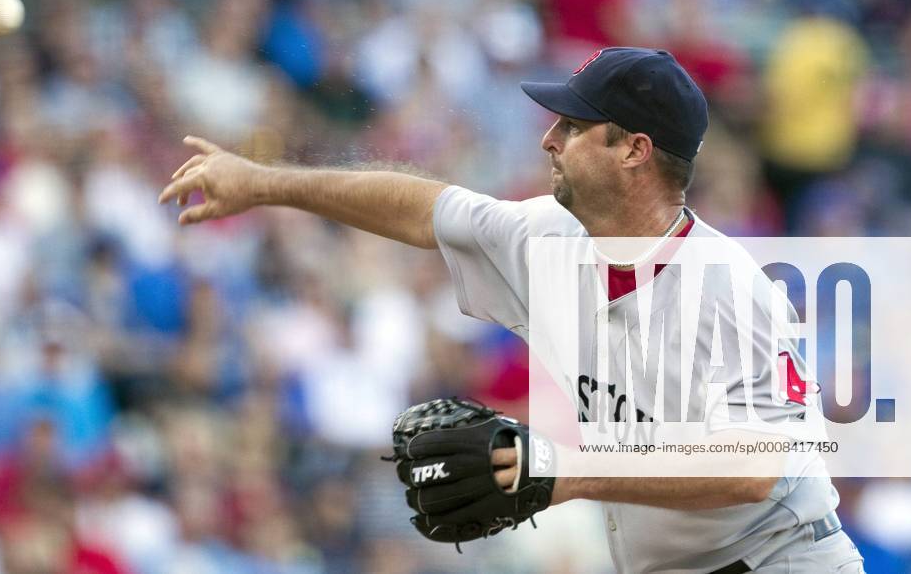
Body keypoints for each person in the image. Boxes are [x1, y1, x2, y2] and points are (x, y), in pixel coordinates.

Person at [158, 47, 864, 573]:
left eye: (574, 124)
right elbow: (421, 210)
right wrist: (265, 182)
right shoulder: (548, 239)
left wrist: (567, 475)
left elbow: (753, 468)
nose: (547, 138)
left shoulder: (728, 290)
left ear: (634, 151)